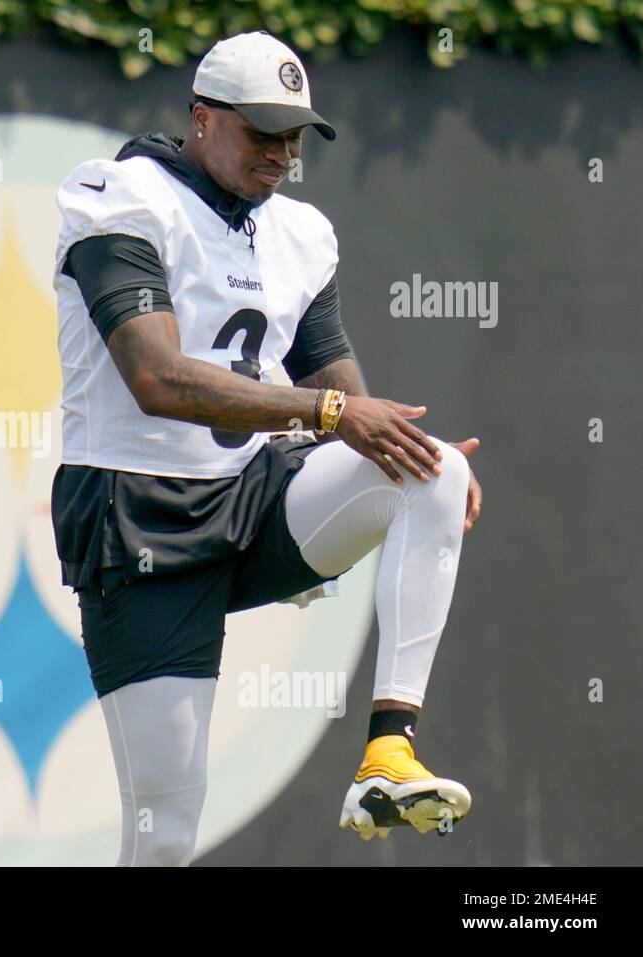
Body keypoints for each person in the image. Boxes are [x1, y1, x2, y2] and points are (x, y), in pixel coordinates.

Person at [51, 30, 483, 865]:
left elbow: (340, 388)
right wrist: (333, 415)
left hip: (251, 495)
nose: (282, 153)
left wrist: (405, 452)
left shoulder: (300, 232)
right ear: (203, 120)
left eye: (294, 135)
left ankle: (388, 754)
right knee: (166, 832)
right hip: (142, 519)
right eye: (261, 132)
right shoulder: (120, 197)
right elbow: (157, 378)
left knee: (433, 467)